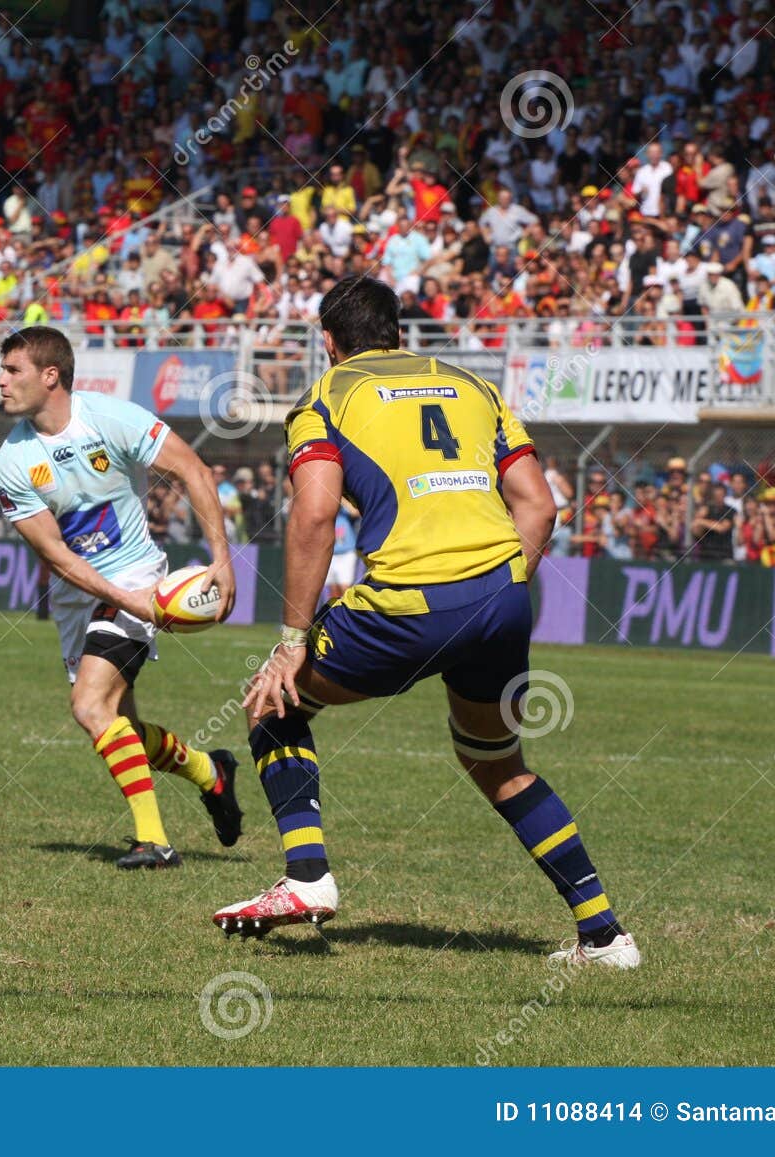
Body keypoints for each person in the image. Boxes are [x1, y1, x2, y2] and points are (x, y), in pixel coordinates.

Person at [216, 278, 639, 970]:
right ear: (399, 334)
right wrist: (494, 588)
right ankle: (604, 935)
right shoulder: (475, 387)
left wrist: (291, 641)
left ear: (329, 342)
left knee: (273, 702)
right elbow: (538, 505)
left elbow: (315, 514)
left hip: (406, 602)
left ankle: (306, 876)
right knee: (497, 763)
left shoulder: (325, 400)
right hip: (502, 596)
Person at [0, 326, 244, 870]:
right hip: (82, 594)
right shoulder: (9, 462)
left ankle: (154, 841)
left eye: (13, 370)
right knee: (118, 722)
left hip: (138, 573)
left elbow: (194, 470)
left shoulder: (111, 418)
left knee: (88, 707)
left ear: (50, 375)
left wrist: (221, 560)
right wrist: (124, 602)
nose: (1, 380)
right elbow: (57, 556)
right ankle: (210, 772)